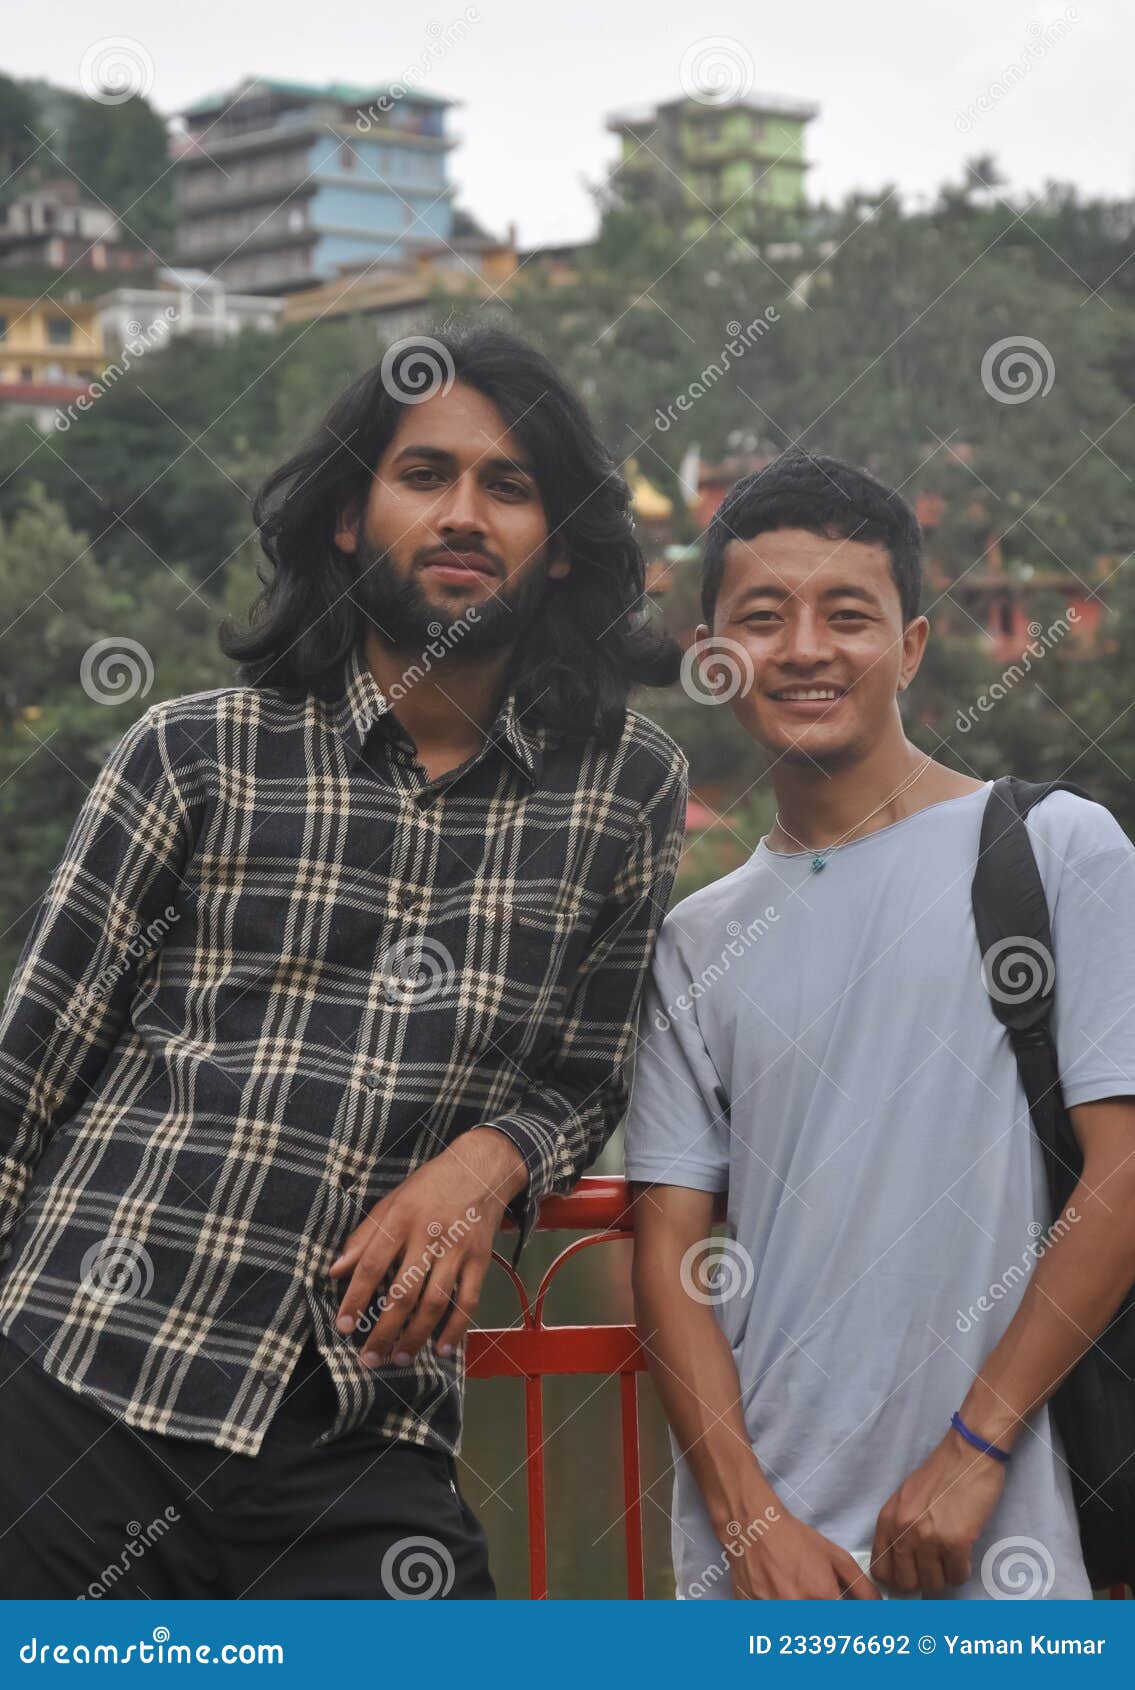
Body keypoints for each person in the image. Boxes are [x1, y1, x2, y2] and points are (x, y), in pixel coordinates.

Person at [0, 326, 687, 1599]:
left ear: (567, 540)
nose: (464, 514)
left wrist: (492, 1161)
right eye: (424, 474)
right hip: (80, 1370)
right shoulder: (194, 752)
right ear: (344, 518)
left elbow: (587, 1077)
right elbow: (25, 1074)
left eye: (510, 485)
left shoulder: (623, 791)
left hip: (355, 1419)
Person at [625, 450, 1135, 1601]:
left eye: (846, 614)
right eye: (762, 616)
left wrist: (974, 1447)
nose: (805, 648)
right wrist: (751, 1521)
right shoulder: (694, 943)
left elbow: (1123, 1172)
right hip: (762, 1568)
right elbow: (670, 1250)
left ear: (907, 645)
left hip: (1013, 1540)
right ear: (715, 656)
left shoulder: (1054, 852)